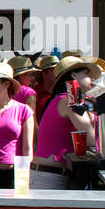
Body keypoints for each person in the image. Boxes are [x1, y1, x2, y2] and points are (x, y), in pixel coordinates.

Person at [30, 57, 97, 189]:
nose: (92, 79)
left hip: (50, 174)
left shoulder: (66, 98)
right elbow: (91, 138)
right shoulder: (69, 99)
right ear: (74, 75)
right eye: (87, 74)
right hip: (49, 178)